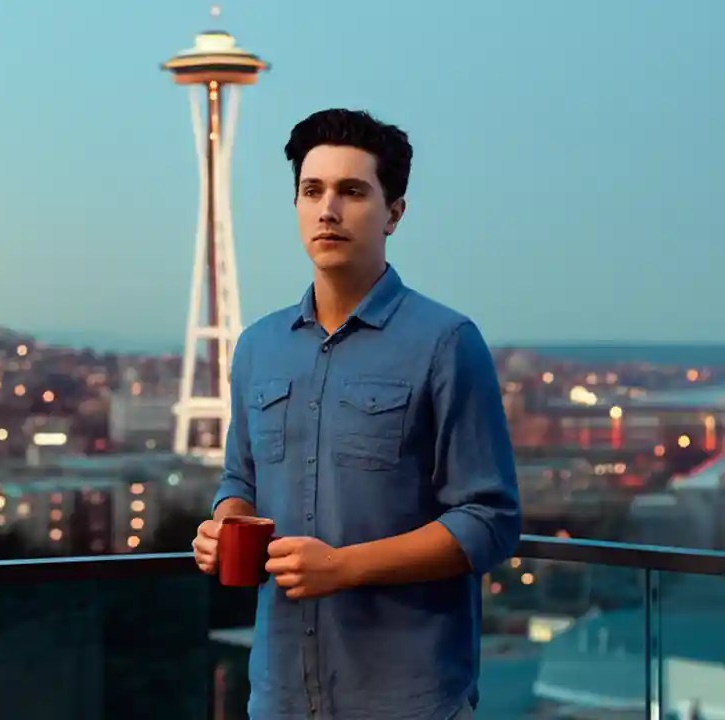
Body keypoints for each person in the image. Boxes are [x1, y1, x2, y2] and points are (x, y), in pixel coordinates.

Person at [192, 108, 521, 719]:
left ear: (394, 213)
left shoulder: (446, 342)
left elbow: (489, 520)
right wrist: (225, 523)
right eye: (312, 191)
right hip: (280, 696)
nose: (328, 210)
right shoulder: (259, 347)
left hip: (408, 699)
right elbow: (241, 479)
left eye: (352, 191)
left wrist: (343, 568)